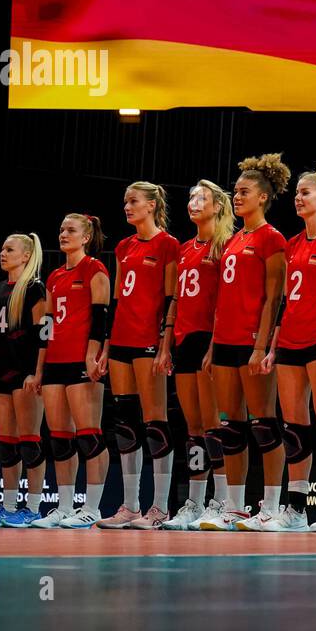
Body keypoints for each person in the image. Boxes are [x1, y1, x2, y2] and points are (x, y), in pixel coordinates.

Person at [258, 162, 316, 532]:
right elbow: (284, 302)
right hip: (290, 344)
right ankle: (296, 509)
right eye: (297, 193)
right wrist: (272, 346)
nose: (298, 198)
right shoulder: (293, 244)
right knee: (295, 428)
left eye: (306, 193)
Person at [199, 155, 290, 531]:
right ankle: (234, 506)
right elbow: (222, 298)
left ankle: (272, 505)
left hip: (252, 342)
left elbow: (274, 297)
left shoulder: (273, 239)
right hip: (224, 342)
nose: (237, 197)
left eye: (244, 191)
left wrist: (262, 345)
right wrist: (211, 345)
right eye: (235, 191)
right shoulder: (234, 239)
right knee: (230, 427)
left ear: (264, 197)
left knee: (264, 425)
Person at [98, 182, 181, 529]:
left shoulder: (168, 245)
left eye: (133, 201)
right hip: (121, 341)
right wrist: (105, 346)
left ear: (151, 205)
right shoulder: (123, 247)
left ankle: (159, 508)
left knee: (155, 423)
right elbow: (117, 300)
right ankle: (130, 506)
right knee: (126, 424)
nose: (127, 207)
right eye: (125, 202)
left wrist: (165, 343)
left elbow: (171, 298)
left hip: (150, 340)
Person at [31, 214, 111, 528]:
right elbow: (46, 325)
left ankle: (92, 507)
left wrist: (93, 356)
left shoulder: (95, 269)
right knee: (60, 438)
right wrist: (39, 368)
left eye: (71, 230)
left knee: (89, 436)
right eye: (62, 229)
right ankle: (65, 507)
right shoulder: (53, 277)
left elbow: (102, 319)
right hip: (54, 363)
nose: (64, 234)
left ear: (86, 236)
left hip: (82, 361)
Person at [162, 181, 234, 529]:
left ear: (218, 206)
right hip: (183, 340)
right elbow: (175, 300)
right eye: (191, 197)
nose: (193, 203)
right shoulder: (185, 248)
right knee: (192, 428)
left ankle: (222, 501)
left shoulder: (224, 247)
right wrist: (165, 345)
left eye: (201, 198)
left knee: (213, 425)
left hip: (209, 340)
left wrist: (214, 345)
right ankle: (194, 501)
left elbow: (225, 301)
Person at [0, 233, 49, 527]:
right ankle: (7, 506)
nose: (3, 253)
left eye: (10, 249)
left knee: (29, 441)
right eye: (2, 248)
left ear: (26, 256)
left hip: (25, 373)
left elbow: (45, 332)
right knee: (6, 443)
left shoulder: (35, 288)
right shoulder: (1, 288)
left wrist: (37, 371)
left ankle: (32, 508)